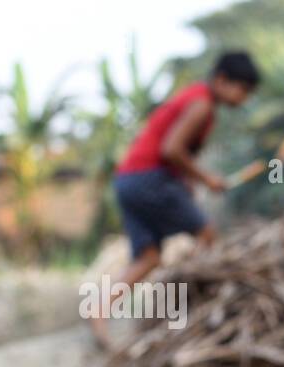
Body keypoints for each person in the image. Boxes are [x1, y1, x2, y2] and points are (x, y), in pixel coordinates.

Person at [89, 51, 259, 348]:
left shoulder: (194, 98)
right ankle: (192, 309)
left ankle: (99, 310)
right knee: (206, 234)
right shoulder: (202, 105)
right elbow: (171, 149)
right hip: (148, 179)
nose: (243, 99)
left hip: (128, 180)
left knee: (149, 257)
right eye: (242, 90)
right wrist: (207, 178)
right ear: (221, 80)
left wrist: (187, 181)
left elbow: (170, 152)